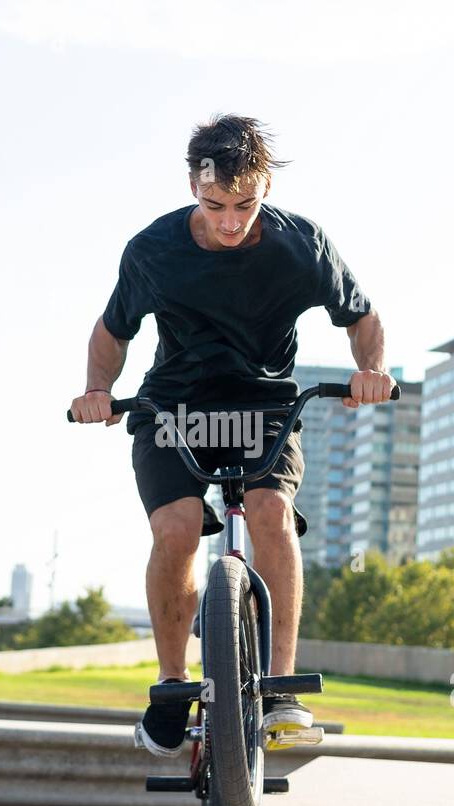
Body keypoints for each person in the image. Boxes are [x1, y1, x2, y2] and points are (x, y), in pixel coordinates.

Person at [68, 113, 396, 758]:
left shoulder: (301, 246)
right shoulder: (154, 250)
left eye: (245, 204)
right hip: (173, 407)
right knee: (177, 528)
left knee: (271, 514)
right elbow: (112, 332)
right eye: (215, 204)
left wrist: (372, 371)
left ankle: (277, 690)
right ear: (194, 186)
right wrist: (98, 390)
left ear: (266, 187)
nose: (229, 221)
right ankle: (170, 685)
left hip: (264, 406)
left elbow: (362, 317)